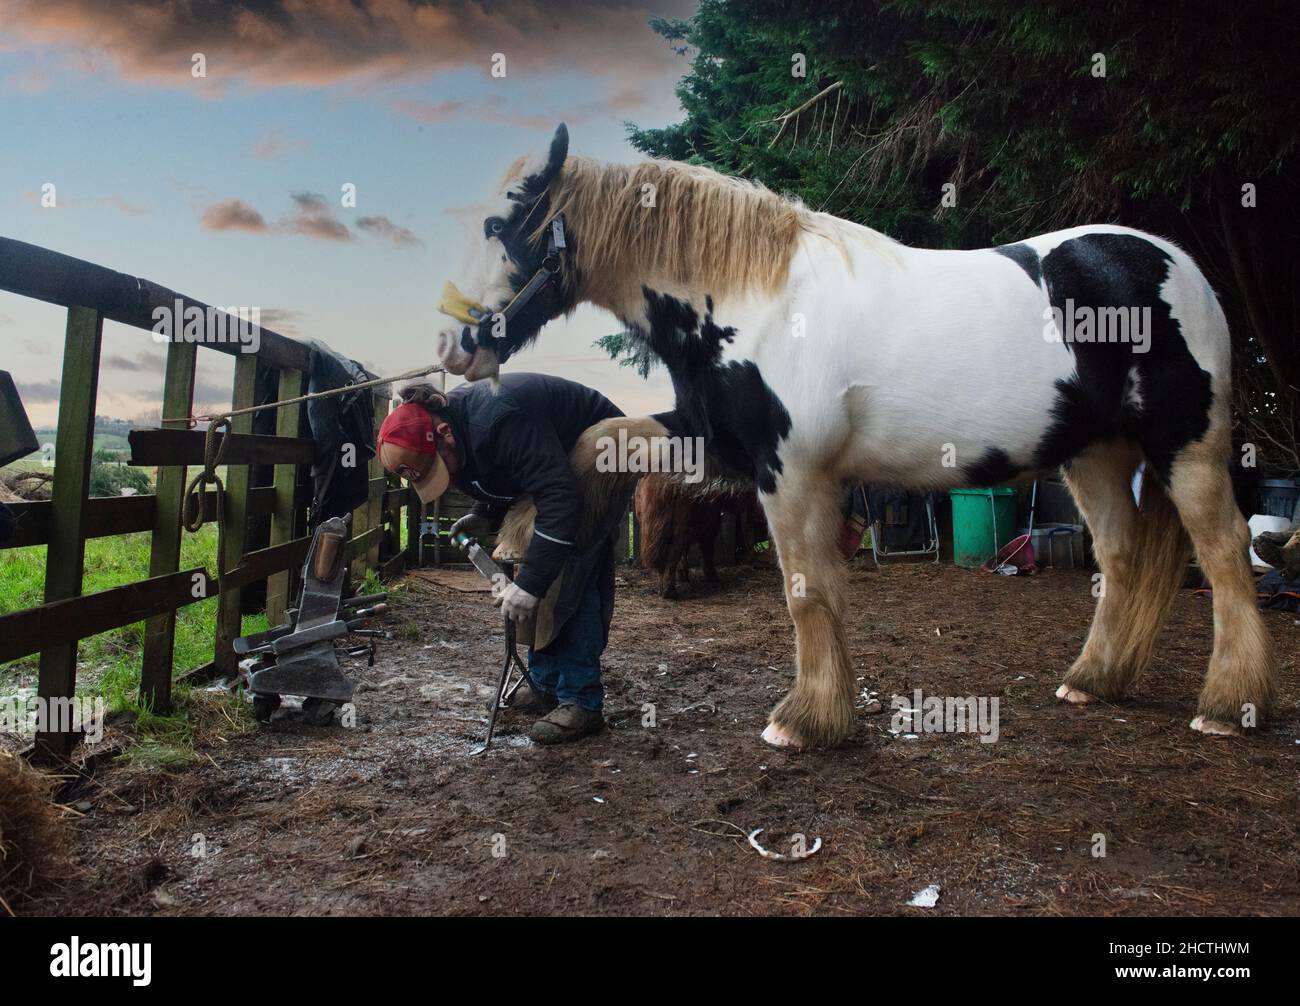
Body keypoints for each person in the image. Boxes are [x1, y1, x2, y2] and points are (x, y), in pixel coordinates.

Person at [376, 373, 624, 743]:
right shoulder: (457, 430)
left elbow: (560, 496)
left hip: (604, 449)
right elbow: (500, 468)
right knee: (535, 564)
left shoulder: (500, 418)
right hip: (558, 465)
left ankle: (581, 699)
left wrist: (530, 586)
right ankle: (545, 683)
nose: (448, 477)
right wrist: (484, 512)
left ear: (444, 432)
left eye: (441, 467)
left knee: (569, 575)